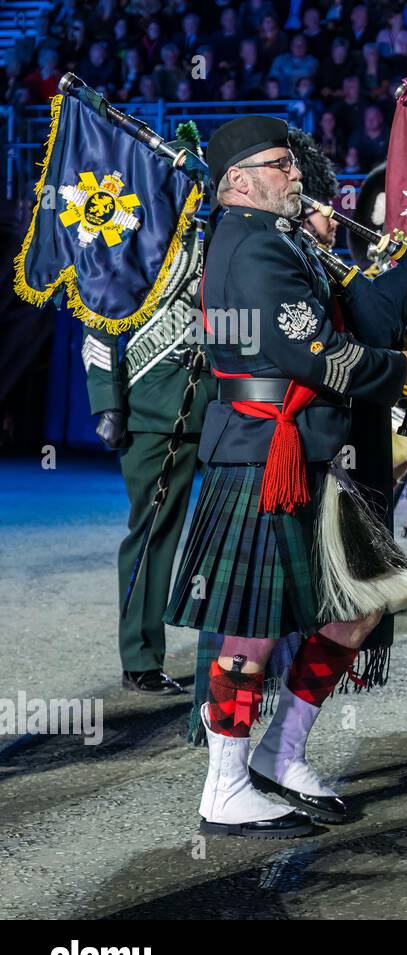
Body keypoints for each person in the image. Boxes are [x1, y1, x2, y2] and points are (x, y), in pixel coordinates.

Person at [165, 116, 407, 837]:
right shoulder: (252, 246)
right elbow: (315, 353)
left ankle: (282, 753)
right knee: (249, 635)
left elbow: (339, 325)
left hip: (298, 452)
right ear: (240, 181)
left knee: (362, 602)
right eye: (283, 165)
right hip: (265, 454)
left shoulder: (277, 240)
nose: (298, 175)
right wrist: (397, 370)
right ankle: (224, 785)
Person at [86, 126, 216, 696]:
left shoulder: (211, 240)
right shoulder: (129, 241)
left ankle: (241, 645)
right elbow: (97, 318)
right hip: (152, 406)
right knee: (153, 534)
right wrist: (106, 402)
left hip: (216, 407)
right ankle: (141, 655)